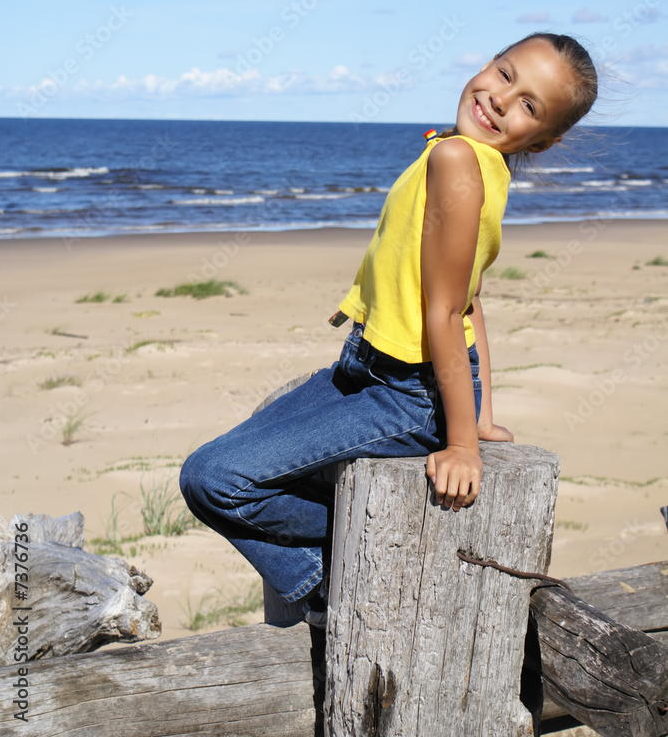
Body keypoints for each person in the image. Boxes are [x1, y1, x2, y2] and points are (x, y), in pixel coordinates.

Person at [179, 31, 598, 625]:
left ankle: (332, 579)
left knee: (212, 479)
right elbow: (475, 299)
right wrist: (479, 407)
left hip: (408, 392)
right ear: (485, 63)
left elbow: (448, 312)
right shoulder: (466, 156)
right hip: (365, 367)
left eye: (530, 105)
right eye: (505, 74)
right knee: (237, 460)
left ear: (545, 140)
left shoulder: (459, 161)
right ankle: (352, 553)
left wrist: (461, 442)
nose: (502, 99)